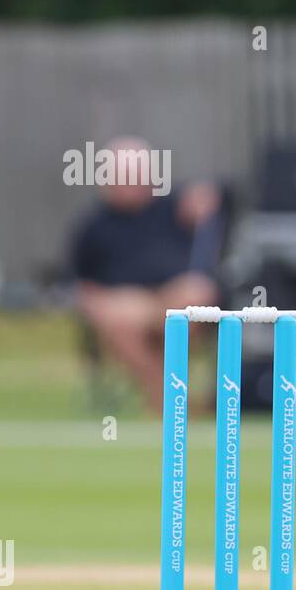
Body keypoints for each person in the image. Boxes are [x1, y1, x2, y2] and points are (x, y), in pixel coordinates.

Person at [70, 138, 223, 413]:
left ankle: (172, 395)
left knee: (196, 294)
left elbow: (228, 194)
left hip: (172, 298)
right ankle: (169, 399)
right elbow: (83, 284)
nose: (130, 183)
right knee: (115, 317)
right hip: (125, 305)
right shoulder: (92, 226)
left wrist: (206, 202)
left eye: (136, 175)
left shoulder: (175, 208)